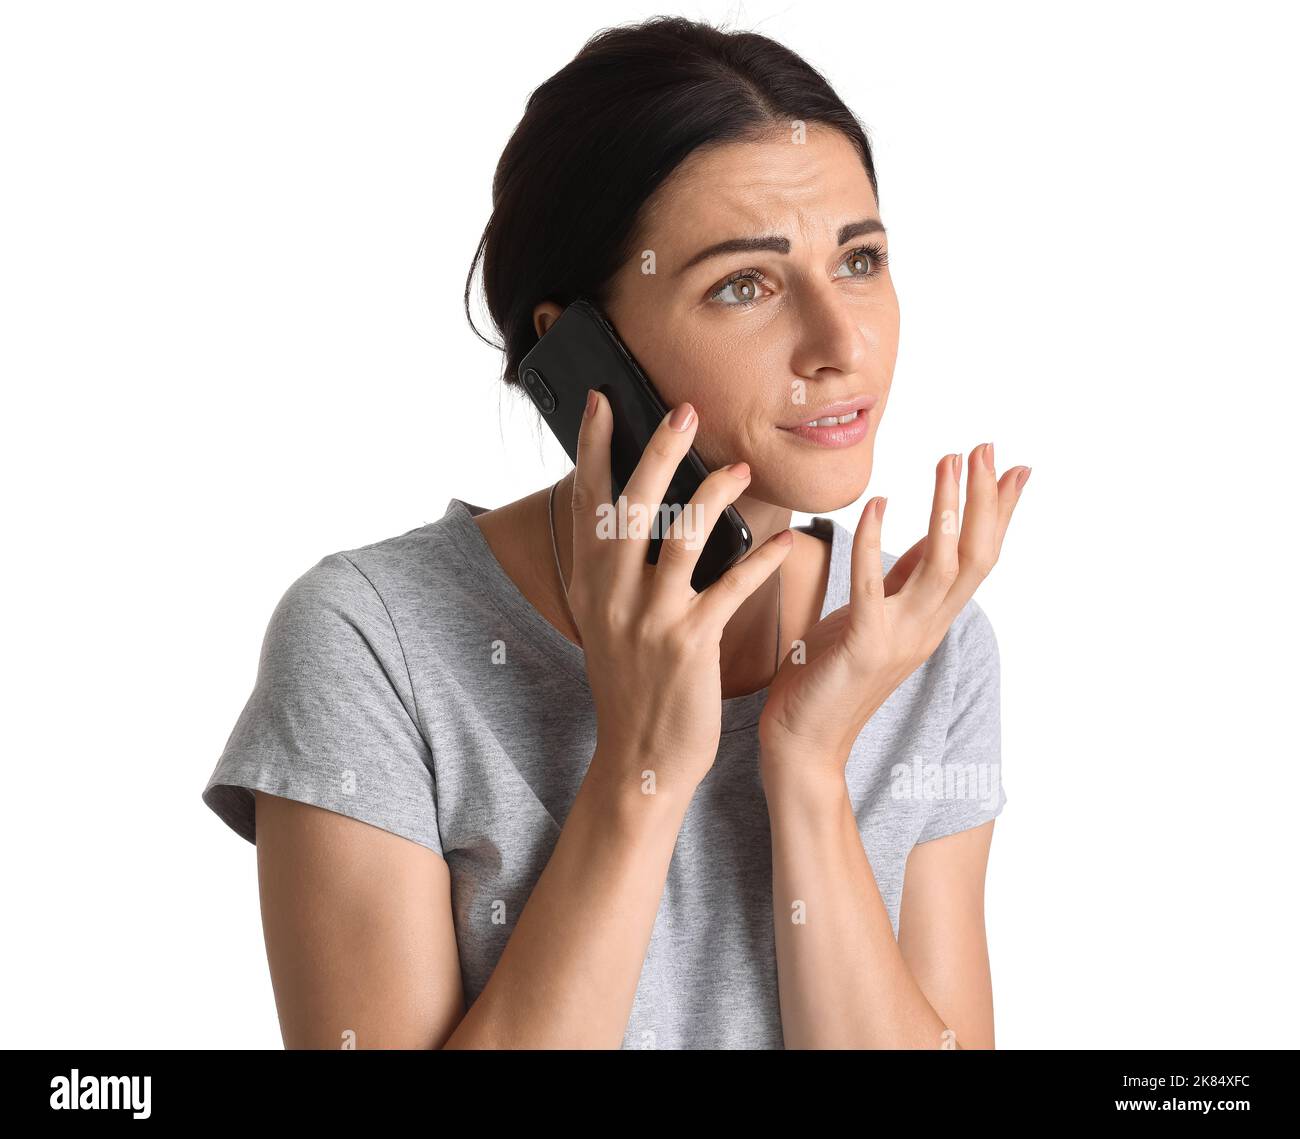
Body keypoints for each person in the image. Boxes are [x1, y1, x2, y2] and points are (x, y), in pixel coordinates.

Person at [201, 14, 1030, 1049]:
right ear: (581, 353)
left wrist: (811, 765)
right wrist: (639, 770)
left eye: (859, 260)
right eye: (745, 284)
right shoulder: (376, 644)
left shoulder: (923, 645)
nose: (841, 342)